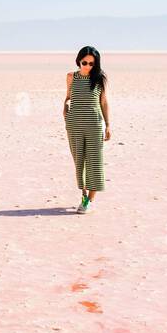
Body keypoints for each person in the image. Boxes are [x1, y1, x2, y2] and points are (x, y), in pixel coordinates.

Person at [63, 46, 110, 213]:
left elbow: (103, 102)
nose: (88, 66)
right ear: (79, 60)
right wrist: (65, 109)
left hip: (94, 125)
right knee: (79, 162)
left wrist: (108, 125)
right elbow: (68, 97)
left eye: (92, 63)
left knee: (94, 162)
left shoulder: (98, 79)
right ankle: (83, 196)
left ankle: (90, 200)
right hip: (74, 124)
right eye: (84, 62)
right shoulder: (71, 77)